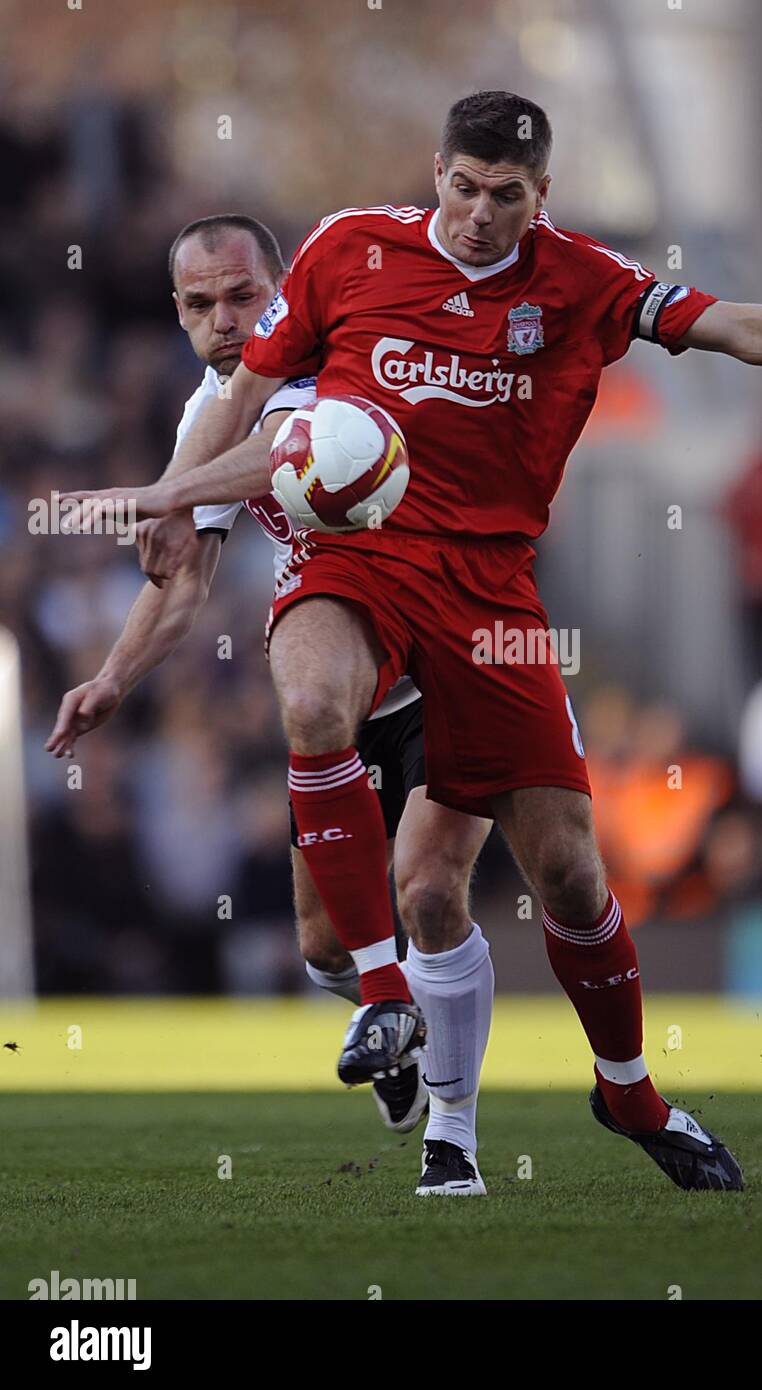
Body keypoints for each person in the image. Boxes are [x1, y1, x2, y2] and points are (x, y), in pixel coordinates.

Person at [69, 91, 762, 1192]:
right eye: (463, 188)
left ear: (541, 195)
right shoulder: (348, 251)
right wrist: (174, 508)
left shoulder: (581, 281)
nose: (478, 215)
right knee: (315, 732)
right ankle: (387, 1006)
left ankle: (623, 1093)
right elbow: (243, 402)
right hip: (360, 563)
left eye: (504, 196)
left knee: (565, 869)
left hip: (490, 600)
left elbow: (737, 326)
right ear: (437, 173)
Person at [50, 215, 494, 1196]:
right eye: (198, 305)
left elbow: (290, 449)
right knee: (320, 947)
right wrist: (112, 680)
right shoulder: (207, 413)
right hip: (337, 685)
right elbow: (183, 587)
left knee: (431, 892)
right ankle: (400, 1024)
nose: (221, 320)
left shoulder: (350, 348)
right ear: (176, 313)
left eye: (241, 296)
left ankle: (462, 1132)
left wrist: (159, 492)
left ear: (287, 285)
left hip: (448, 654)